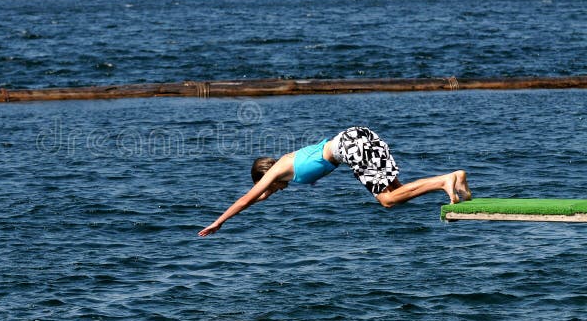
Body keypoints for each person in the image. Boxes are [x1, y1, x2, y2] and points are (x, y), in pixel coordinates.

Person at [198, 126, 471, 236]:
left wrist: (219, 222)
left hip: (350, 146)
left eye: (269, 188)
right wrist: (258, 199)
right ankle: (454, 179)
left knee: (387, 200)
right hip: (359, 135)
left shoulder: (276, 173)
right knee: (397, 192)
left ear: (264, 178)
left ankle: (444, 181)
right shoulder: (284, 165)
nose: (274, 192)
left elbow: (247, 198)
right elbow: (258, 199)